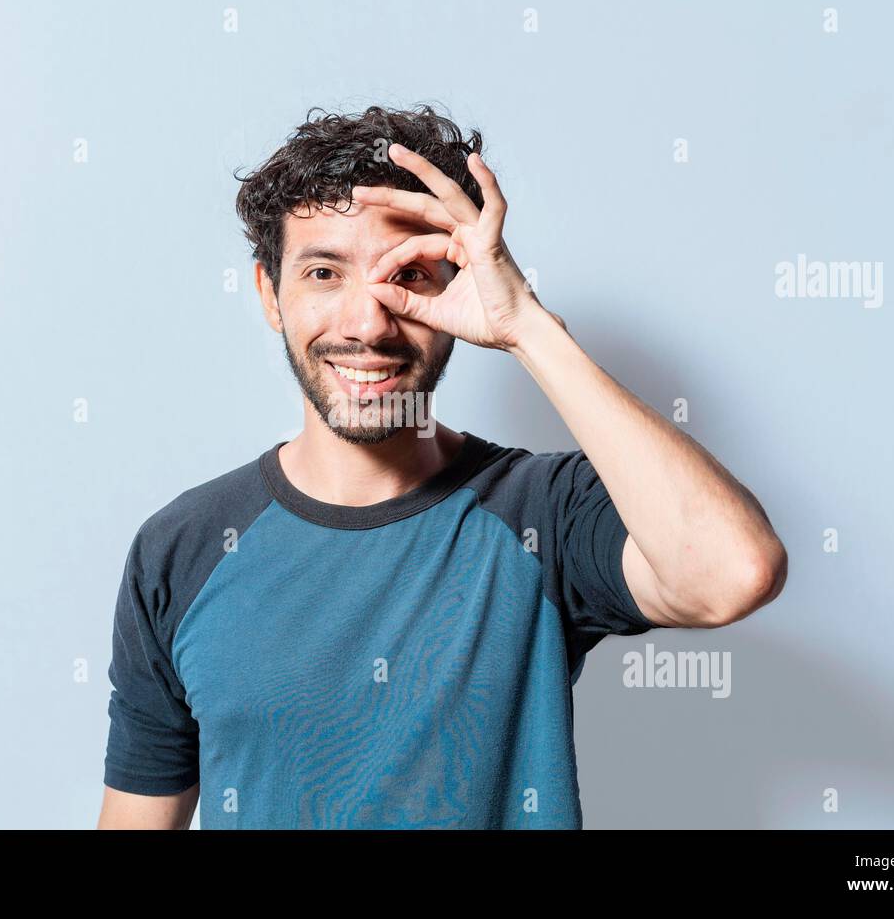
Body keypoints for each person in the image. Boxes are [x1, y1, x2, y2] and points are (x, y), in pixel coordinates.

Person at [96, 105, 787, 829]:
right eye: (325, 272)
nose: (367, 324)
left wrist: (524, 324)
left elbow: (733, 573)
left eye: (410, 275)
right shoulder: (183, 547)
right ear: (271, 294)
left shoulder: (539, 515)